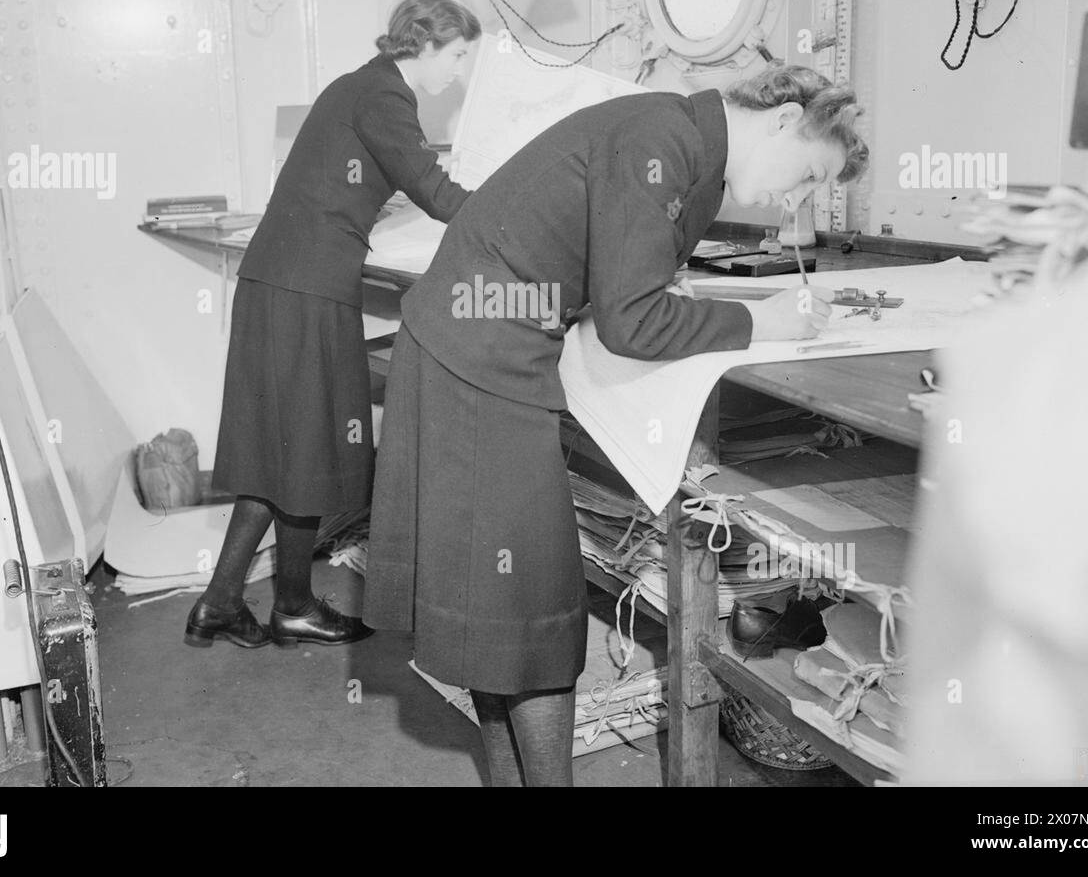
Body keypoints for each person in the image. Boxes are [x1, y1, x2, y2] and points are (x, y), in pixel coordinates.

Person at [363, 63, 869, 785]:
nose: (803, 200)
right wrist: (761, 318)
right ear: (784, 121)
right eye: (811, 176)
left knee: (498, 611)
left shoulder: (684, 139)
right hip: (478, 364)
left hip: (468, 347)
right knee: (530, 615)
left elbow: (626, 277)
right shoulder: (665, 138)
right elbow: (631, 321)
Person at [185, 0, 481, 649]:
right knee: (306, 444)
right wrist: (523, 213)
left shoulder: (364, 88)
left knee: (289, 446)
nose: (458, 71)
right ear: (425, 44)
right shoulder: (384, 95)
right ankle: (276, 603)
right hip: (305, 289)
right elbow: (436, 193)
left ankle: (234, 602)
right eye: (457, 55)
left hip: (286, 281)